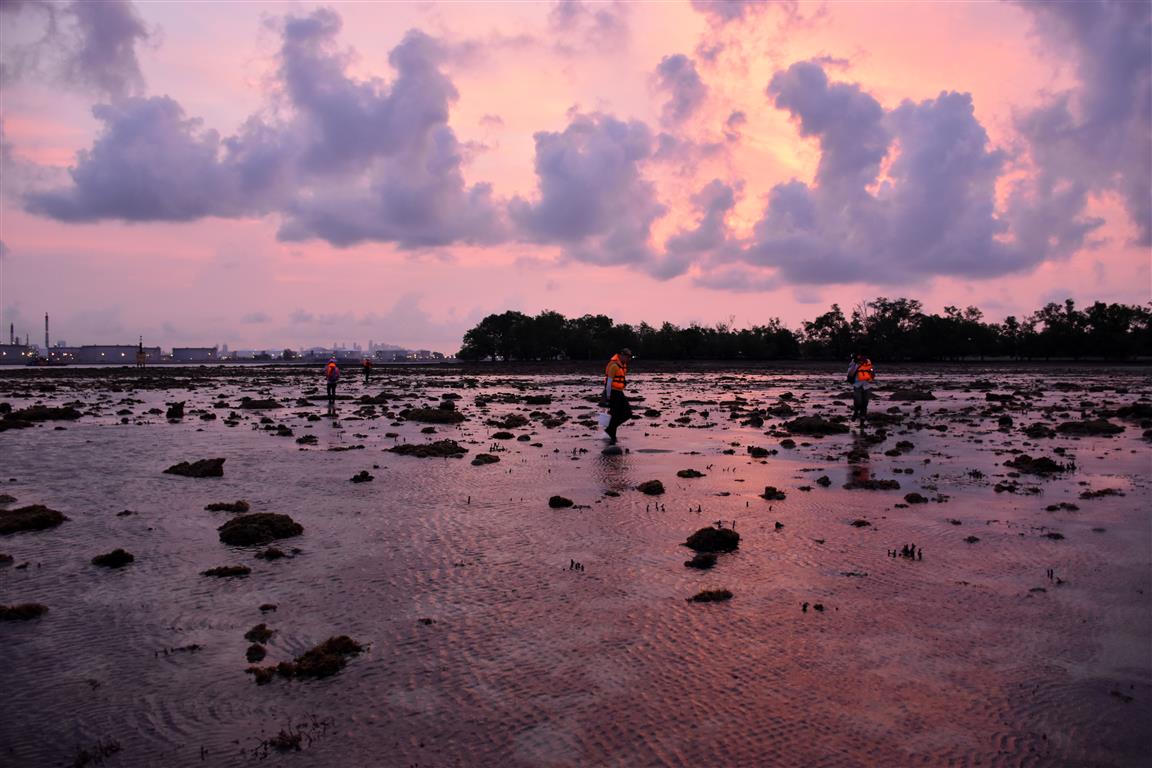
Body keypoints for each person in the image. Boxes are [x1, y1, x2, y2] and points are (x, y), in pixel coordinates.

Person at [603, 348, 634, 444]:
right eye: (628, 357)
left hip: (619, 392)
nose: (629, 359)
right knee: (615, 415)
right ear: (622, 355)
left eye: (630, 357)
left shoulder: (622, 366)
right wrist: (608, 397)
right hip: (612, 393)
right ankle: (612, 436)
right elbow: (609, 382)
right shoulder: (614, 366)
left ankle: (611, 430)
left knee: (628, 413)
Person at [846, 352, 874, 426]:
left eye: (863, 357)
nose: (862, 358)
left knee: (865, 404)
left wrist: (871, 372)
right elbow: (850, 374)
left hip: (866, 386)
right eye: (860, 357)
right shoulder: (853, 363)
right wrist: (856, 364)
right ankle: (855, 412)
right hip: (857, 385)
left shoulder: (868, 362)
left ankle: (862, 422)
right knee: (858, 403)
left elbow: (872, 372)